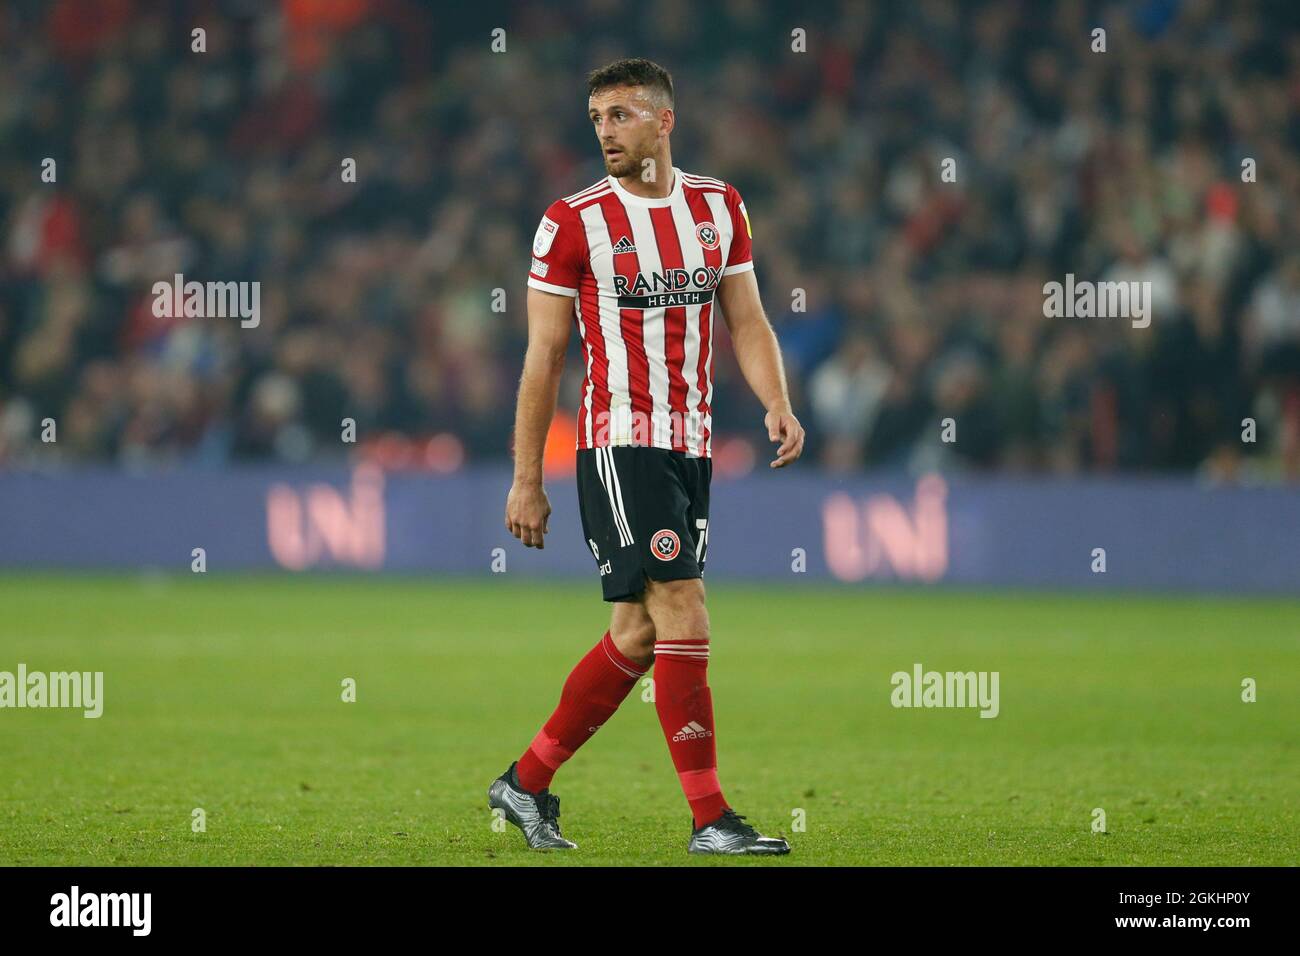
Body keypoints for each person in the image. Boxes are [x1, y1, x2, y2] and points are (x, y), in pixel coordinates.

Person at [492, 58, 804, 855]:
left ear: (665, 121)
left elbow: (748, 321)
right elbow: (543, 359)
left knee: (636, 635)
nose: (606, 131)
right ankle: (711, 819)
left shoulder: (717, 205)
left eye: (622, 115)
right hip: (619, 442)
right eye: (596, 117)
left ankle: (524, 785)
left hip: (691, 446)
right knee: (685, 611)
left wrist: (776, 400)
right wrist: (528, 478)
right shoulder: (572, 221)